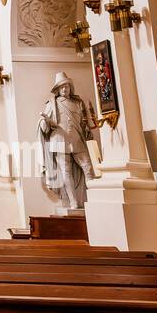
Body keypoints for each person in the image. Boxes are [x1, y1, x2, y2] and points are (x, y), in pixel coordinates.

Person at [38, 71, 98, 212]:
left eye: (67, 86)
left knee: (88, 167)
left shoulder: (78, 103)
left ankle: (93, 197)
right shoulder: (52, 104)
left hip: (77, 139)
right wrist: (46, 121)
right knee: (66, 172)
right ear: (58, 90)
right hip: (59, 140)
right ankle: (73, 202)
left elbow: (85, 123)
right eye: (62, 87)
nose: (65, 89)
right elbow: (43, 127)